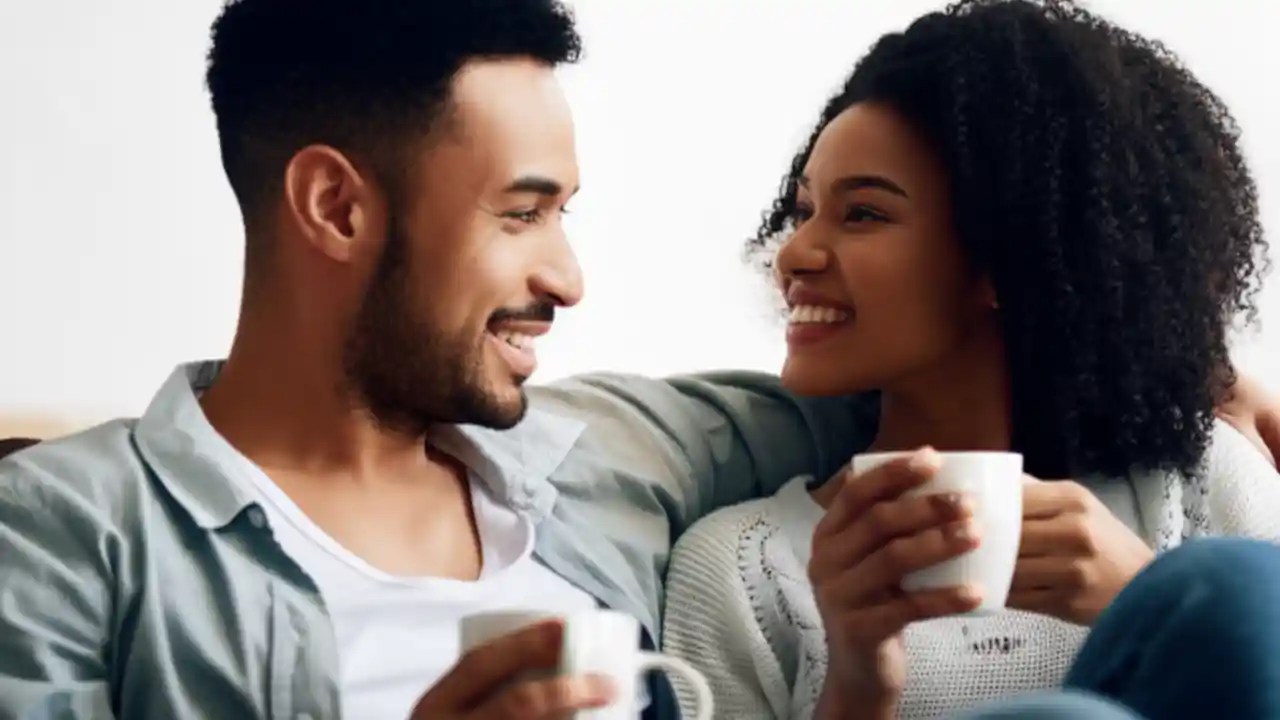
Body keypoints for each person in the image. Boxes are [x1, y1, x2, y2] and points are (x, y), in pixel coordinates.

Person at [0, 1, 1275, 720]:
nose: (568, 279)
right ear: (336, 209)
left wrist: (1188, 369)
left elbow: (942, 388)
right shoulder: (69, 530)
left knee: (1225, 597)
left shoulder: (617, 461)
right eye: (522, 212)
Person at [661, 1, 1280, 719]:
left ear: (1002, 260)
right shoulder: (737, 570)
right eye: (803, 212)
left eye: (862, 213)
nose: (794, 254)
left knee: (1227, 592)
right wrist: (858, 685)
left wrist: (1148, 601)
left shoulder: (1192, 485)